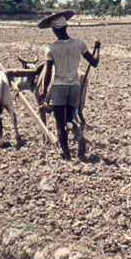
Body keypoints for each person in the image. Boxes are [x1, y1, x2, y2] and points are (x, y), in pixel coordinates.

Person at [38, 11, 100, 161]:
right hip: (74, 87)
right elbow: (94, 63)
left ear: (54, 30)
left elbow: (48, 73)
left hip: (59, 87)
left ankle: (67, 157)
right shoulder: (79, 44)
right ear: (66, 26)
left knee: (60, 125)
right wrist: (97, 48)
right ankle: (79, 136)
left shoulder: (51, 48)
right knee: (69, 120)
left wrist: (44, 90)